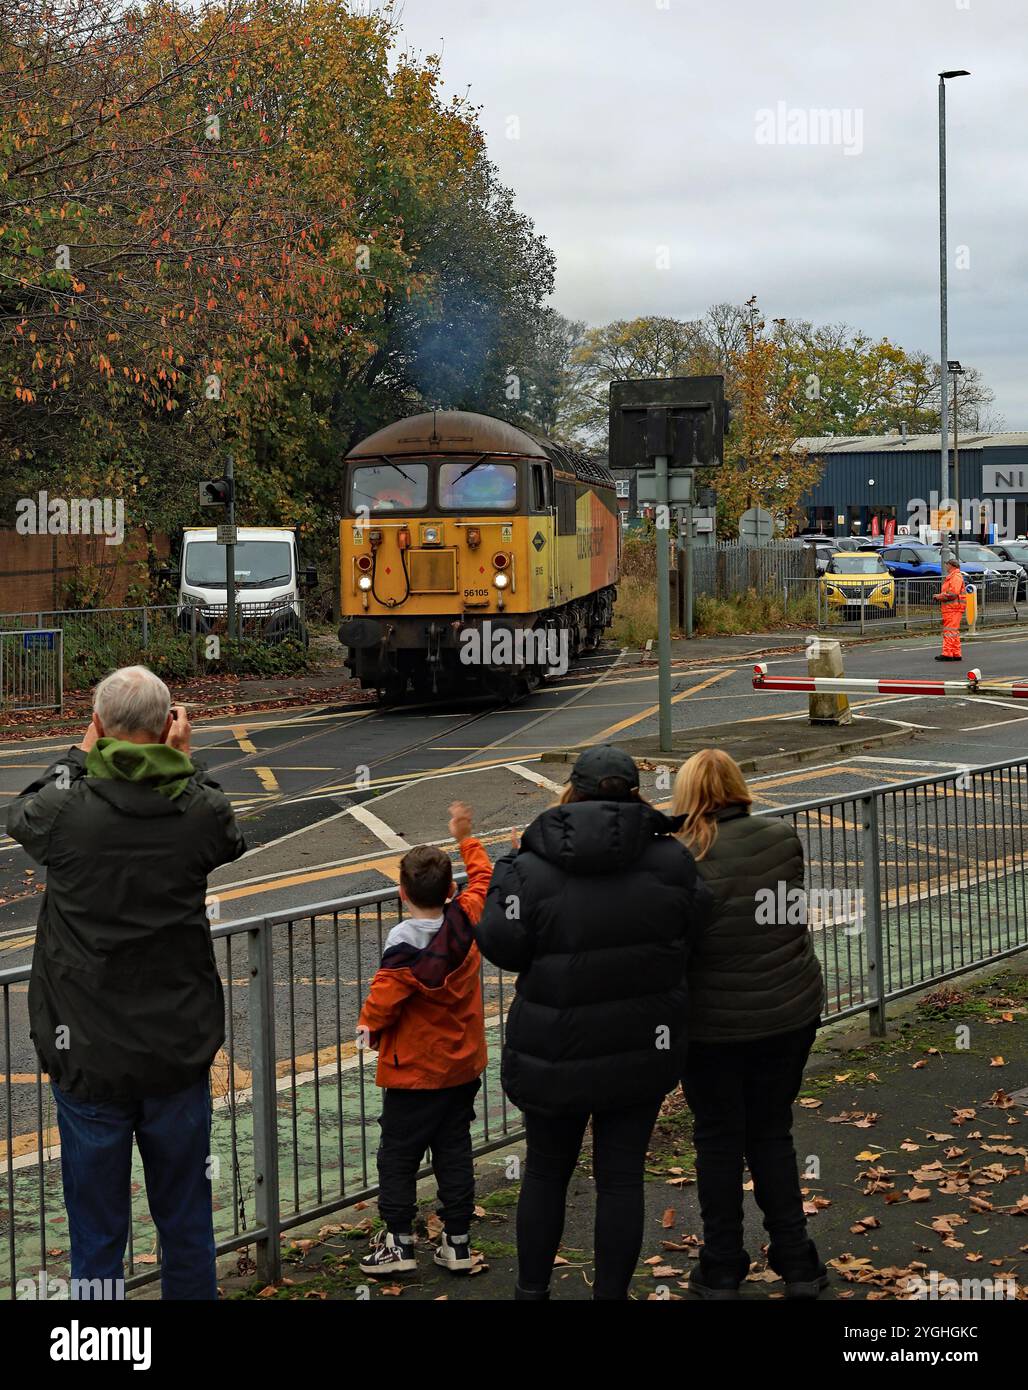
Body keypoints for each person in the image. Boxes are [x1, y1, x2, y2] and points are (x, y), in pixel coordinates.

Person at [6, 665, 245, 1300]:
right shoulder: (196, 809)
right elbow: (227, 827)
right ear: (171, 726)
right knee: (187, 1223)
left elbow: (21, 813)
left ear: (98, 725)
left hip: (87, 1054)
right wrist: (185, 762)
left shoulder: (67, 814)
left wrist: (78, 752)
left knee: (97, 1234)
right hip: (176, 1051)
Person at [475, 745, 711, 1301]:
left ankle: (532, 1293)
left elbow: (503, 947)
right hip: (641, 1045)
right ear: (634, 794)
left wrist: (503, 877)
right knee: (622, 1177)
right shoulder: (673, 861)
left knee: (545, 1171)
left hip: (554, 1049)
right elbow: (694, 931)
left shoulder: (527, 867)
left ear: (572, 792)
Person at [670, 749, 827, 1300]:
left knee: (717, 1140)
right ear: (739, 785)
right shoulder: (781, 837)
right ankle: (798, 1261)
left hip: (713, 1026)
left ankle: (720, 1267)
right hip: (788, 1010)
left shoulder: (680, 856)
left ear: (687, 794)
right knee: (771, 1133)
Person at [357, 802, 492, 1277]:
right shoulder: (466, 920)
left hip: (414, 1072)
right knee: (454, 1149)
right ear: (450, 890)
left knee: (397, 1156)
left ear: (400, 892)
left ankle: (399, 1243)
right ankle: (456, 1241)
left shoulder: (403, 947)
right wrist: (465, 838)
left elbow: (379, 1006)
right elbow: (484, 880)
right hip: (461, 1068)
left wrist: (367, 1031)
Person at [934, 556, 967, 661]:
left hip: (953, 608)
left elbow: (953, 594)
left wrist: (939, 596)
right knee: (953, 631)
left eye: (947, 564)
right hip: (953, 607)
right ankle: (955, 653)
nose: (946, 566)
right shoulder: (954, 576)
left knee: (949, 631)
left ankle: (947, 653)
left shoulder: (955, 577)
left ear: (951, 565)